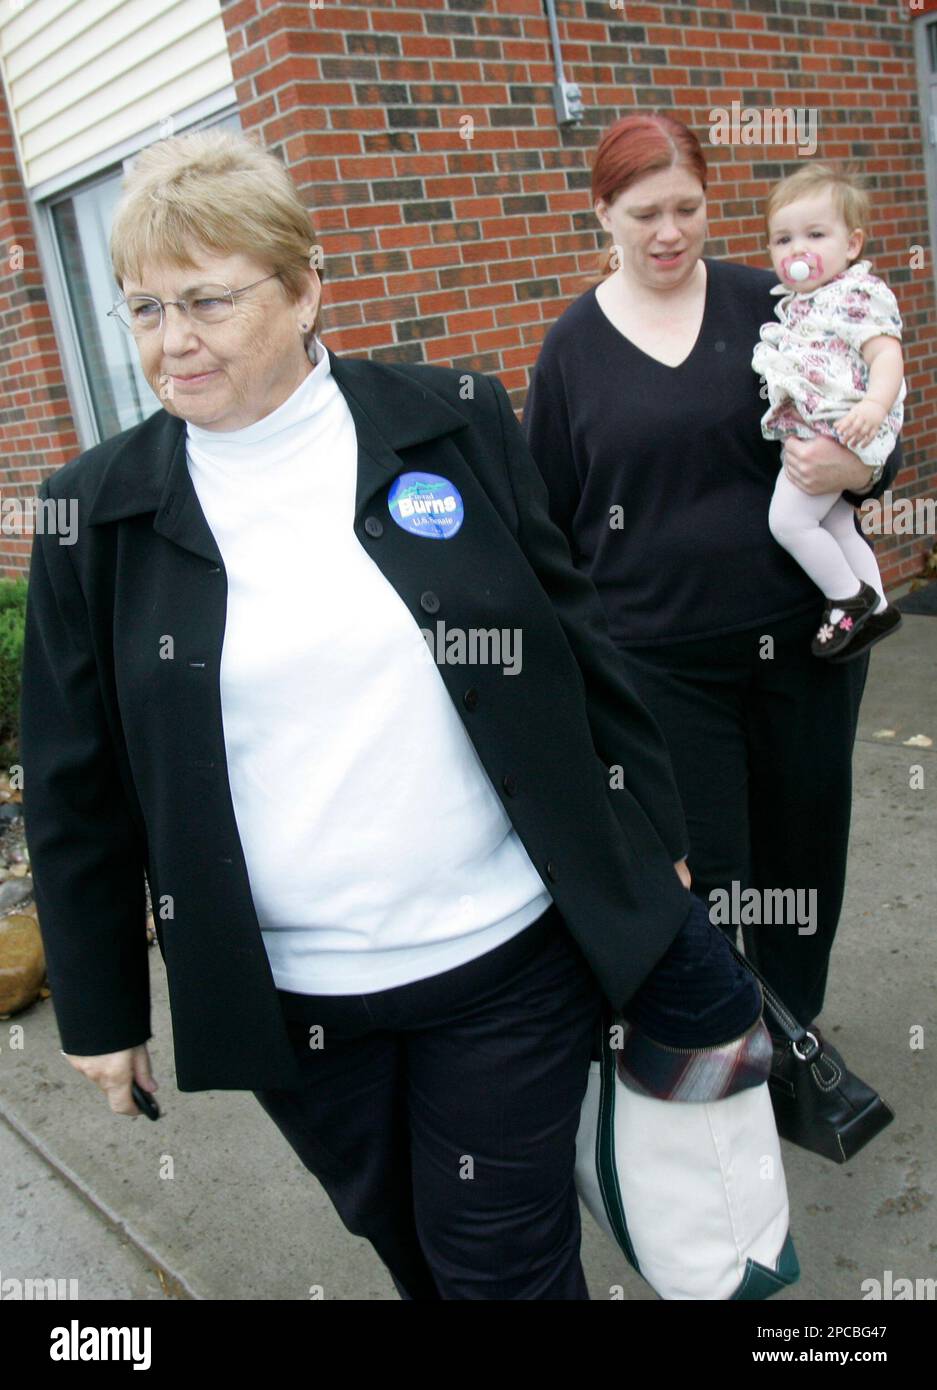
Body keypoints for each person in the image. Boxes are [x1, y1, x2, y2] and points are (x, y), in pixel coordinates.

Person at [20, 126, 757, 1302]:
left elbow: (577, 639)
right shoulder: (94, 514)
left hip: (501, 953)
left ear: (308, 284)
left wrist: (650, 826)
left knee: (499, 1266)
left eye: (207, 300)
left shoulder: (447, 419)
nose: (174, 342)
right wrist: (100, 1005)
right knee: (413, 1248)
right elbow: (75, 781)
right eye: (144, 310)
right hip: (295, 1004)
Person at [522, 113, 903, 1065]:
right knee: (707, 870)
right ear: (600, 210)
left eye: (687, 208)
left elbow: (869, 436)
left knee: (803, 850)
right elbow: (550, 531)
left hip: (805, 646)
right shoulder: (570, 353)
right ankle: (730, 1032)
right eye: (643, 212)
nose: (668, 232)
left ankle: (794, 1034)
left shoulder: (771, 305)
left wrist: (854, 475)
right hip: (660, 666)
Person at [751, 163, 906, 660]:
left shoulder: (855, 295)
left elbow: (887, 355)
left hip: (845, 427)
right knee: (838, 524)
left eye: (815, 234)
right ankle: (878, 605)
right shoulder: (801, 302)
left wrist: (875, 405)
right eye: (783, 239)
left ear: (852, 244)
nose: (797, 250)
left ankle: (847, 598)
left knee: (789, 524)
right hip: (829, 428)